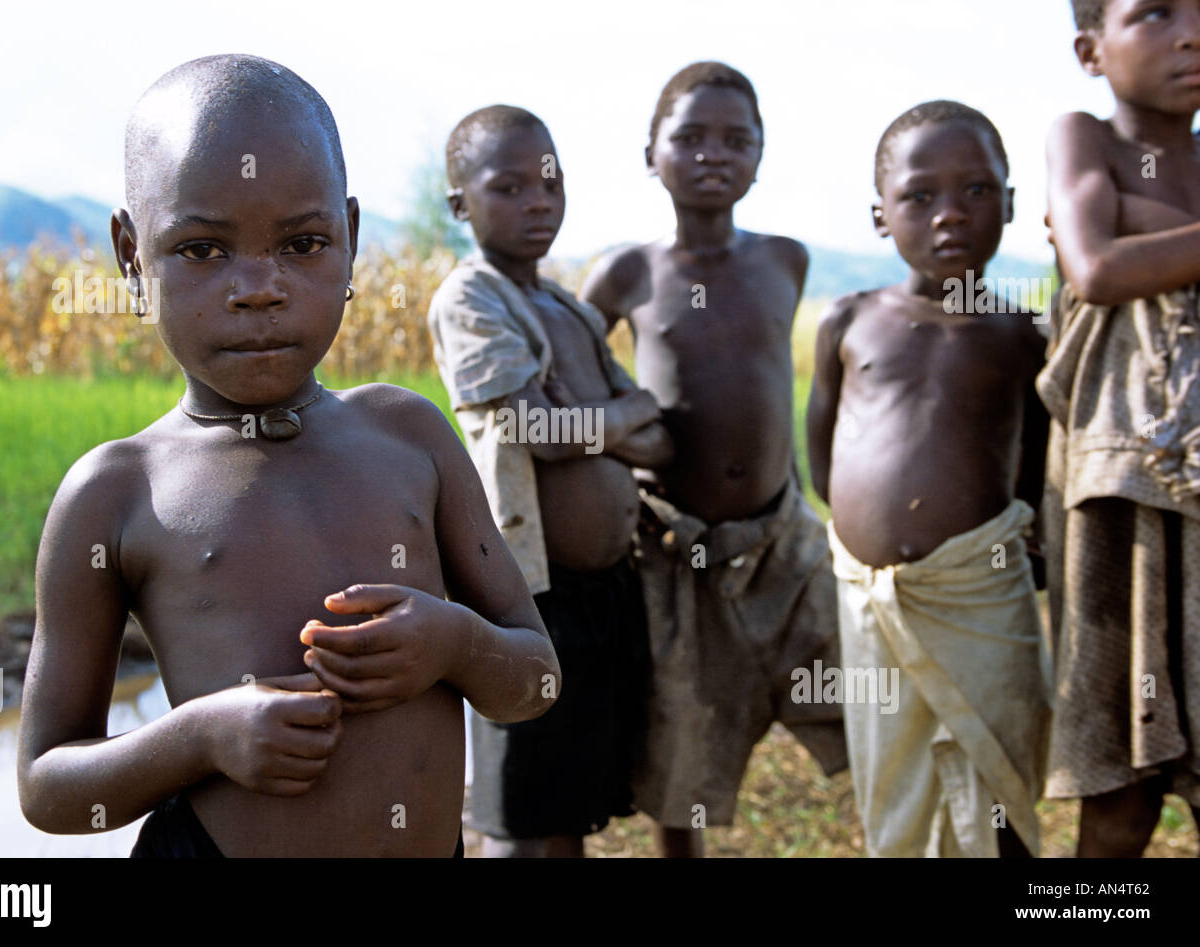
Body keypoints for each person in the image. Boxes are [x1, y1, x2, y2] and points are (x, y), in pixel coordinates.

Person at [15, 55, 559, 858]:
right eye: (201, 251)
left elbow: (536, 679)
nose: (259, 288)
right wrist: (199, 737)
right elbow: (48, 787)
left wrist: (452, 644)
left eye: (303, 243)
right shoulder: (117, 493)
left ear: (351, 239)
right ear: (131, 254)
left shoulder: (410, 436)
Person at [582, 62, 846, 858]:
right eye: (690, 137)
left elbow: (771, 387)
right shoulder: (630, 271)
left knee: (856, 701)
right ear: (650, 153)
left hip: (784, 538)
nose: (713, 155)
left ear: (762, 156)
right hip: (676, 546)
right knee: (684, 746)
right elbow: (571, 363)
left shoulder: (784, 261)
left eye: (737, 139)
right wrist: (621, 440)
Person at [806, 100, 1052, 857]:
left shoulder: (1019, 335)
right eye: (920, 196)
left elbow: (1036, 471)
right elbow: (822, 444)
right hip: (873, 596)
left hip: (979, 593)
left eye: (977, 191)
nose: (951, 215)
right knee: (899, 776)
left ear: (1010, 204)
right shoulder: (851, 319)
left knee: (997, 762)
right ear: (881, 216)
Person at [429, 105, 672, 857]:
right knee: (520, 806)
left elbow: (659, 439)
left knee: (575, 793)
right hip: (530, 594)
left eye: (550, 183)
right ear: (459, 205)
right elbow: (538, 432)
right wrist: (624, 411)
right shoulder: (469, 299)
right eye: (509, 187)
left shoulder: (566, 306)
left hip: (604, 591)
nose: (538, 201)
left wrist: (604, 417)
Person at [1040, 0, 1200, 856]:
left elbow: (1111, 246)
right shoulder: (1083, 138)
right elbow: (1097, 266)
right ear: (1090, 49)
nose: (1191, 34)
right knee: (1119, 787)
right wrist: (1122, 236)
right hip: (1116, 490)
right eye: (1157, 14)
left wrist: (1150, 229)